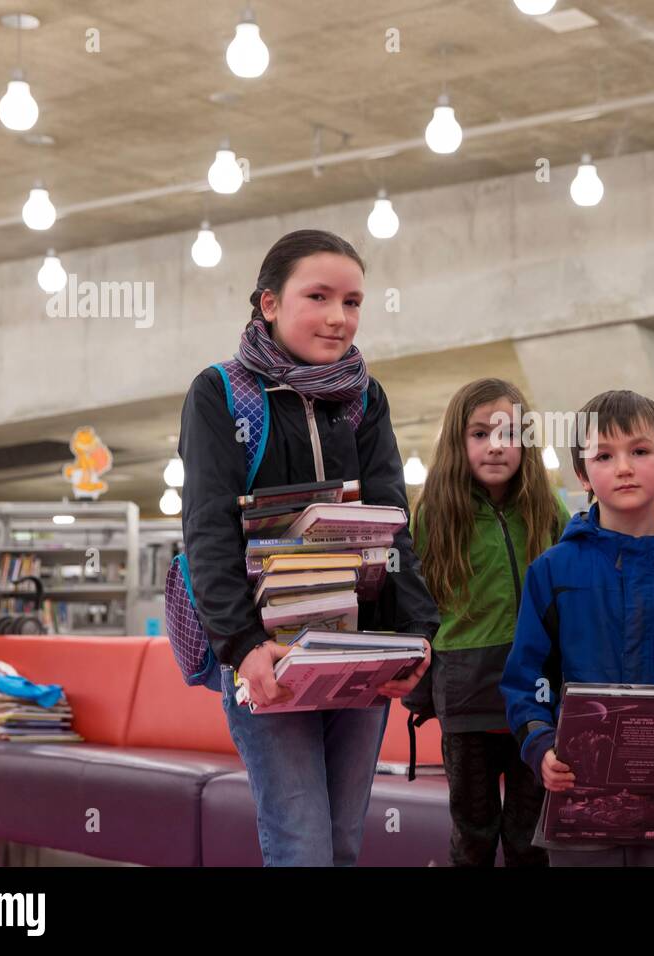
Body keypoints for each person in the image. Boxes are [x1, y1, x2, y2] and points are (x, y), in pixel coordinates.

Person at [178, 228, 439, 866]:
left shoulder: (364, 397)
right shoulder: (221, 392)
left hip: (361, 650)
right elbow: (208, 529)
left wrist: (418, 632)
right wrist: (241, 649)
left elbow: (393, 521)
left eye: (352, 302)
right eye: (317, 296)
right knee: (301, 847)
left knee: (344, 844)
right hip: (268, 654)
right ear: (268, 303)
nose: (337, 317)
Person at [501, 390, 654, 867]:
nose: (624, 467)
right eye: (604, 456)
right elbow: (526, 678)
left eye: (639, 451)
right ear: (582, 475)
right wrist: (541, 745)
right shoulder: (552, 571)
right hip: (580, 803)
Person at [402, 378, 570, 867]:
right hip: (465, 694)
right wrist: (420, 688)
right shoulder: (435, 514)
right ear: (459, 441)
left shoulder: (548, 508)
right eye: (480, 434)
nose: (496, 446)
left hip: (538, 694)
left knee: (529, 837)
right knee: (473, 833)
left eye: (509, 433)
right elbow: (417, 605)